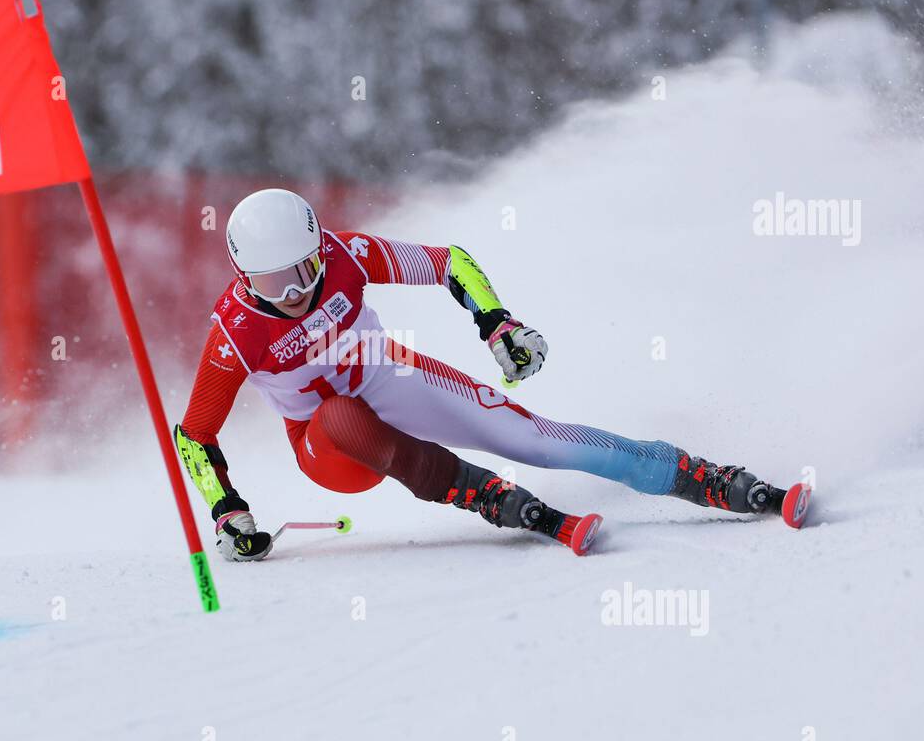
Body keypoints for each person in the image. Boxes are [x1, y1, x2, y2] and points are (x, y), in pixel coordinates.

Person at [175, 188, 802, 562]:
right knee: (341, 416)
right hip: (330, 447)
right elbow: (195, 436)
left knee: (539, 440)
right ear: (243, 276)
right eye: (274, 281)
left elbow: (451, 263)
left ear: (319, 247)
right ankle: (470, 488)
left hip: (389, 374)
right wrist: (229, 513)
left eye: (306, 268)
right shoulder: (234, 332)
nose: (297, 290)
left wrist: (497, 324)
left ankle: (704, 478)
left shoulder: (344, 255)